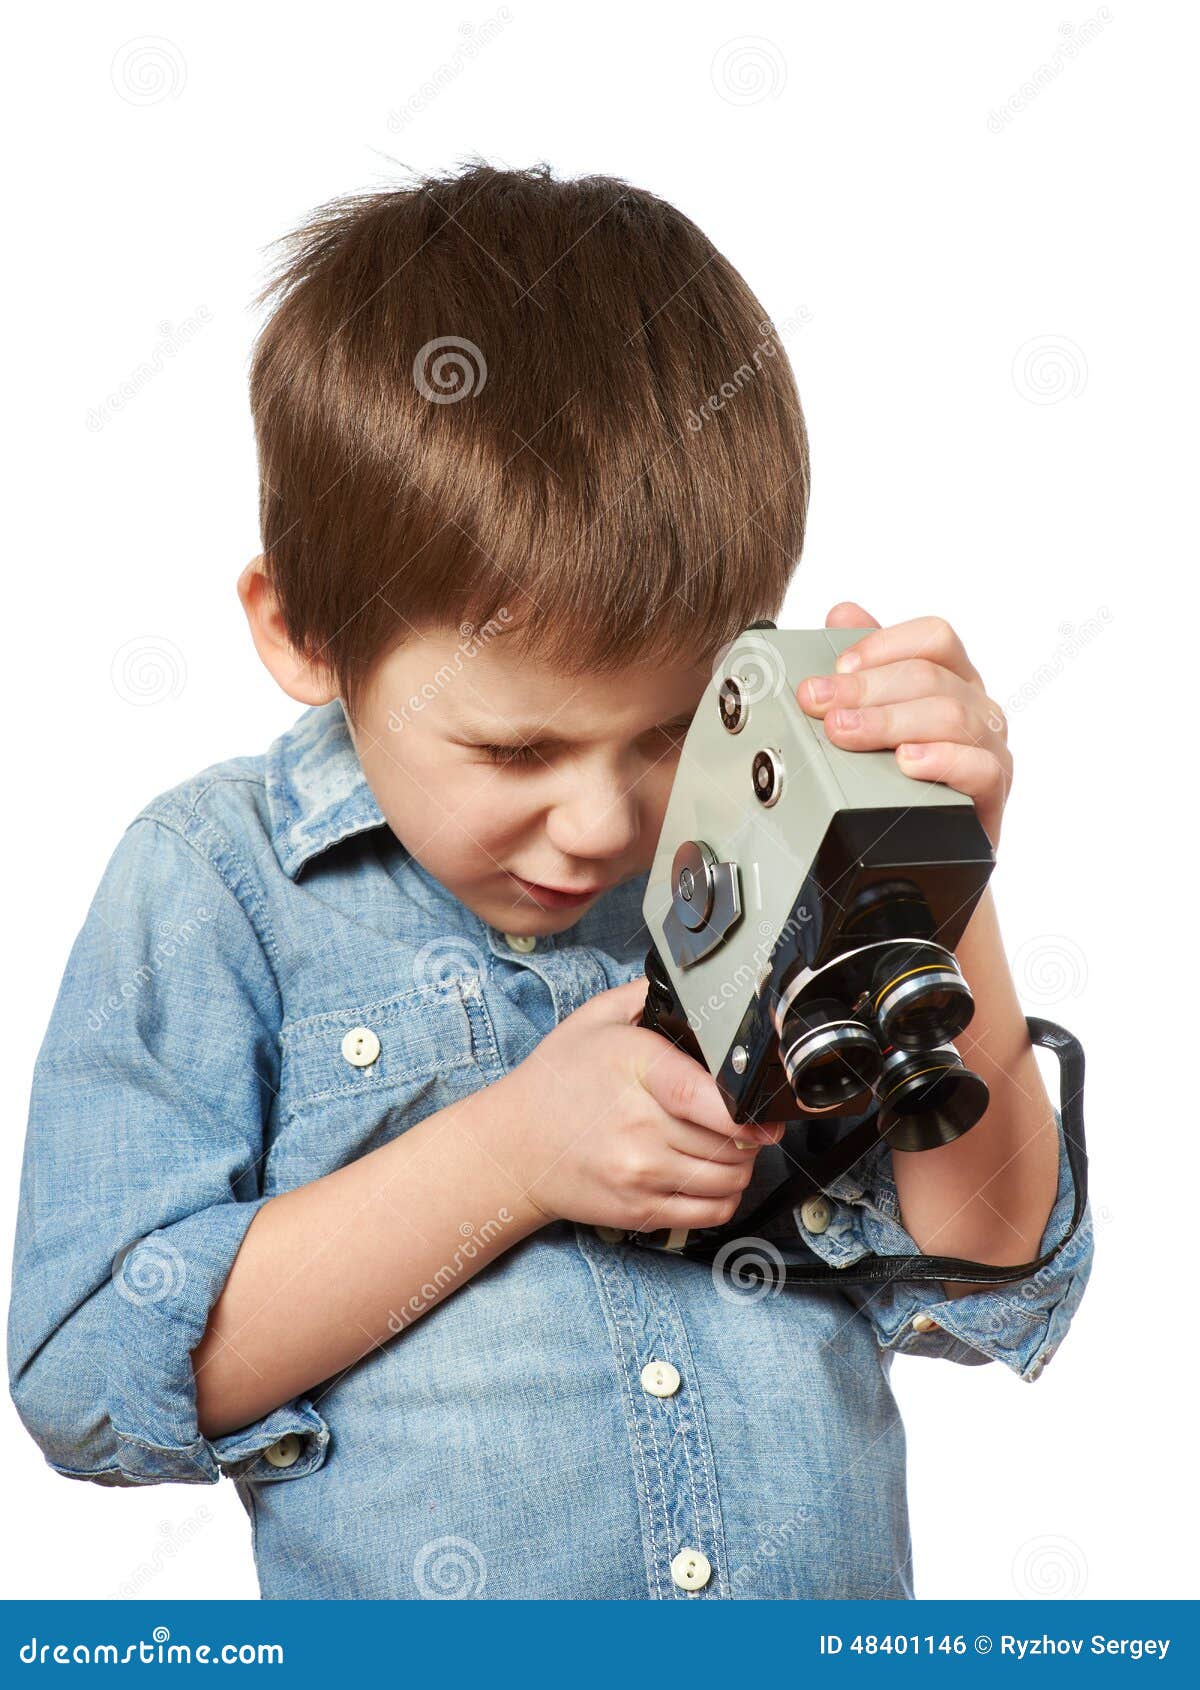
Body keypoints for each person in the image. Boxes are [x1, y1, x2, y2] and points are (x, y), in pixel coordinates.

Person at [7, 161, 1092, 1600]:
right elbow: (89, 1369)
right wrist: (509, 1158)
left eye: (668, 727)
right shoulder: (219, 883)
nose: (600, 820)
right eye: (516, 747)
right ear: (302, 630)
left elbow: (994, 1266)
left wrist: (930, 879)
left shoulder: (774, 850)